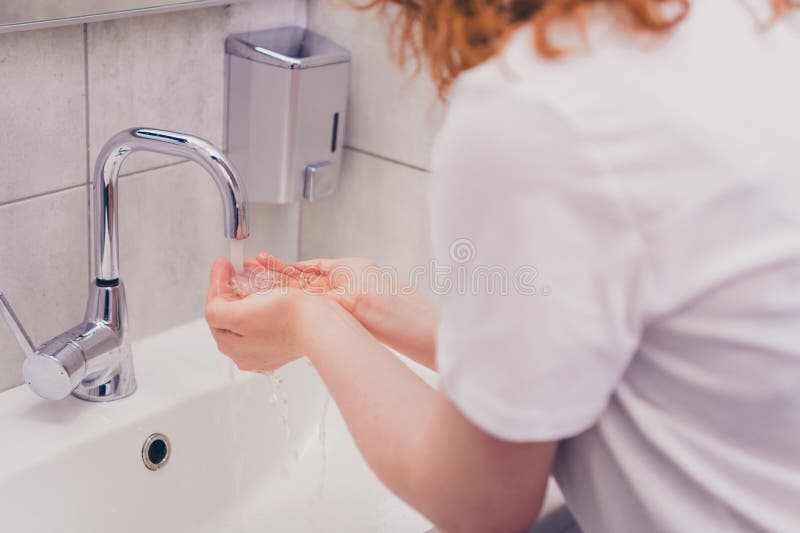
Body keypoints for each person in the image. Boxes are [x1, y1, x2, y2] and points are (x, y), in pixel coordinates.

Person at [204, 1, 800, 531]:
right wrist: (378, 307)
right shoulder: (746, 19)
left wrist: (311, 323)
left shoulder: (537, 104)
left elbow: (478, 505)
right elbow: (654, 357)